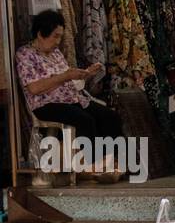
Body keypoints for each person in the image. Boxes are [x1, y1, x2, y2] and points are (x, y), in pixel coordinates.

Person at [15, 9, 123, 175]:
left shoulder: (56, 53)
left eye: (60, 36)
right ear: (40, 34)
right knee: (84, 120)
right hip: (46, 104)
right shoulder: (25, 55)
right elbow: (34, 88)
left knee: (109, 116)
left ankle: (113, 160)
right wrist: (65, 76)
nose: (58, 41)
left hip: (72, 99)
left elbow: (70, 81)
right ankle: (92, 165)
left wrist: (85, 74)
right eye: (55, 36)